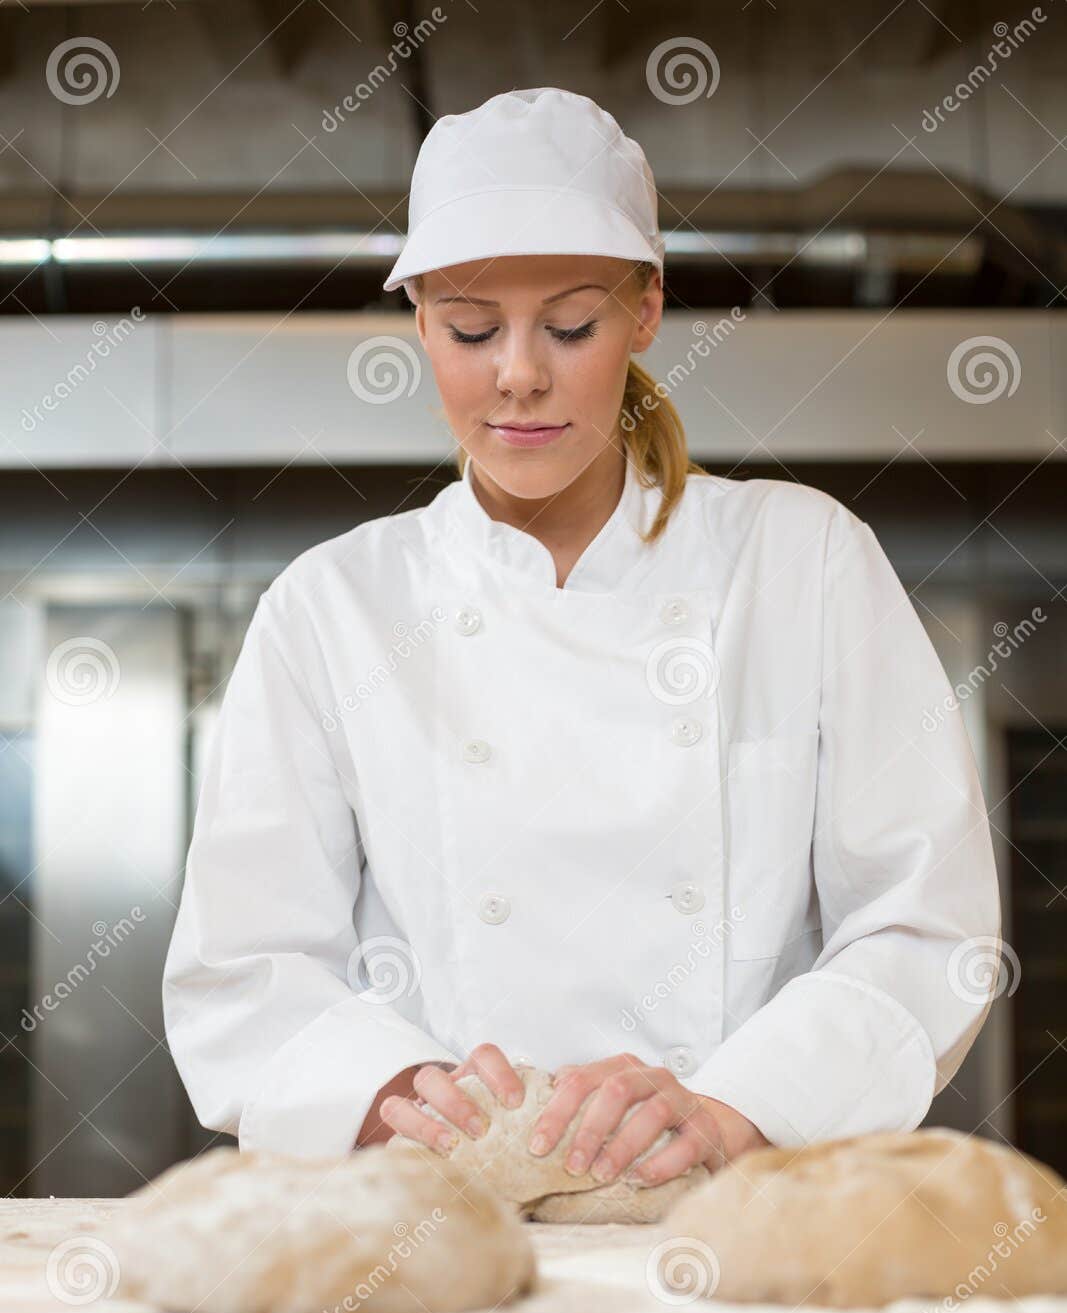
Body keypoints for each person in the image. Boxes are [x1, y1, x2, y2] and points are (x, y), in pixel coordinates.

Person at [161, 86, 1001, 1190]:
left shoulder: (799, 564)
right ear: (416, 319)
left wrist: (733, 1106)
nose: (517, 372)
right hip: (438, 1220)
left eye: (569, 325)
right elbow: (245, 968)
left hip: (735, 1210)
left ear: (645, 311)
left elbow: (923, 926)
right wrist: (413, 1101)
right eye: (469, 327)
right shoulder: (335, 608)